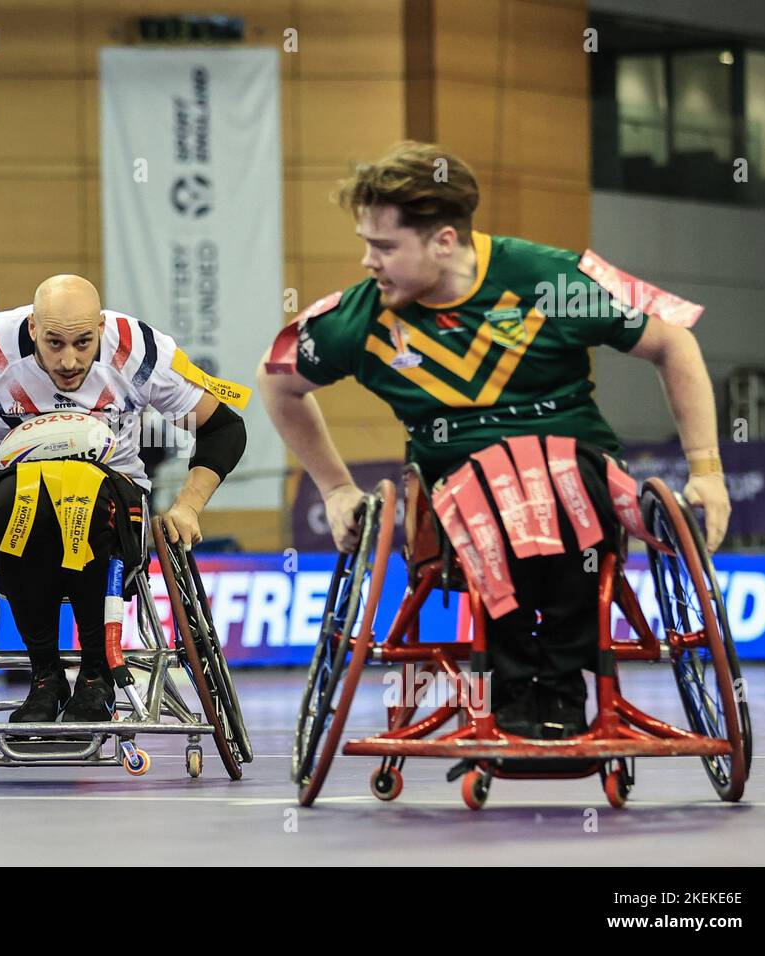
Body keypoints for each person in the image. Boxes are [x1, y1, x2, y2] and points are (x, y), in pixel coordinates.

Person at [257, 141, 731, 739]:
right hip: (457, 502)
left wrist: (706, 471)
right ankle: (509, 689)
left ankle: (558, 689)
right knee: (489, 484)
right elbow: (276, 384)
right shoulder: (361, 319)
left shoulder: (552, 279)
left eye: (383, 247)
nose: (368, 263)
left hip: (577, 483)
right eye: (365, 245)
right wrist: (334, 488)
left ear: (444, 240)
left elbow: (673, 343)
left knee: (552, 475)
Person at [0, 274, 248, 724]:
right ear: (31, 329)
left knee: (84, 502)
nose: (69, 360)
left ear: (102, 328)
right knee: (23, 506)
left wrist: (188, 506)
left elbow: (224, 425)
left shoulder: (140, 350)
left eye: (84, 343)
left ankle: (96, 675)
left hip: (111, 498)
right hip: (5, 500)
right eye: (55, 343)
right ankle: (45, 676)